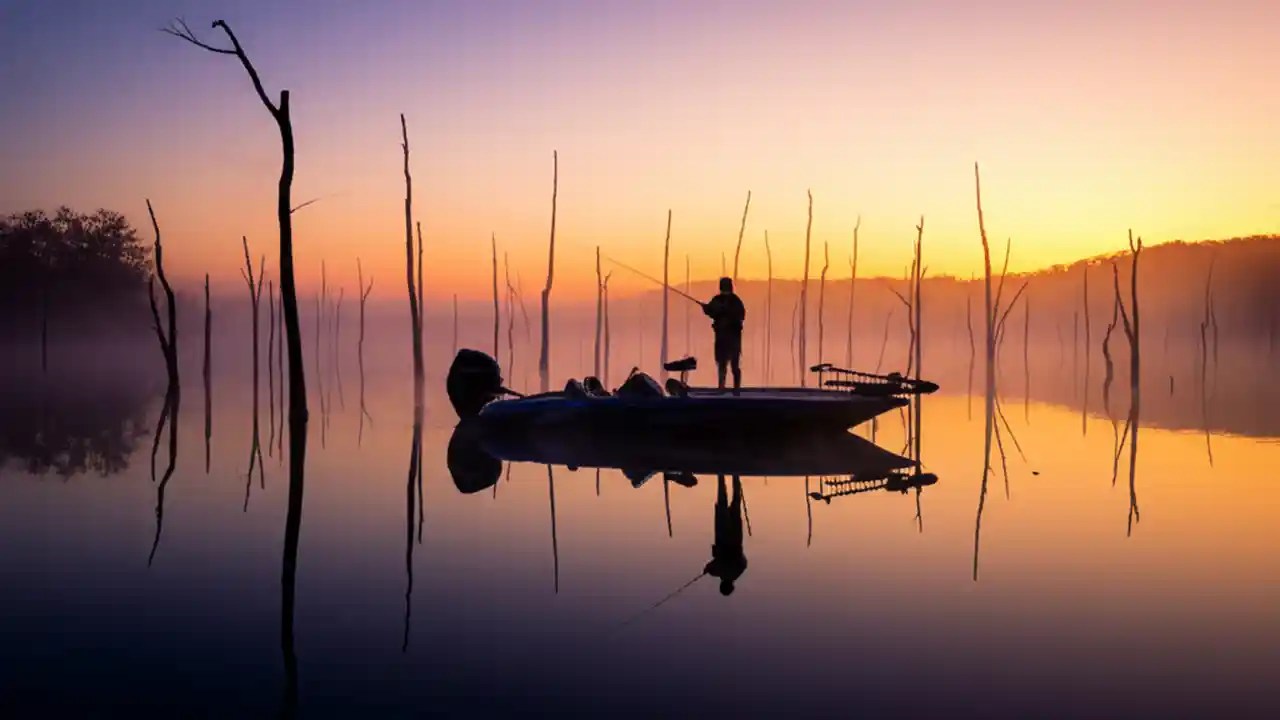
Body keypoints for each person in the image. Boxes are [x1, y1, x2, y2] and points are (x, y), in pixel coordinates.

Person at [704, 474, 747, 595]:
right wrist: (708, 569)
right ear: (722, 585)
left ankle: (735, 475)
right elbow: (711, 566)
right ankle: (721, 475)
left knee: (736, 502)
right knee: (722, 500)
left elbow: (743, 560)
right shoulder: (717, 572)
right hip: (723, 535)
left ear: (731, 586)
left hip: (735, 536)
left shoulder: (738, 571)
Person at [702, 277, 746, 390]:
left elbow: (711, 312)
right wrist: (707, 308)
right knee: (731, 365)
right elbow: (711, 312)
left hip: (725, 338)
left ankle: (723, 387)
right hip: (731, 338)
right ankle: (736, 388)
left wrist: (710, 309)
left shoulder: (719, 300)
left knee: (724, 365)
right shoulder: (736, 300)